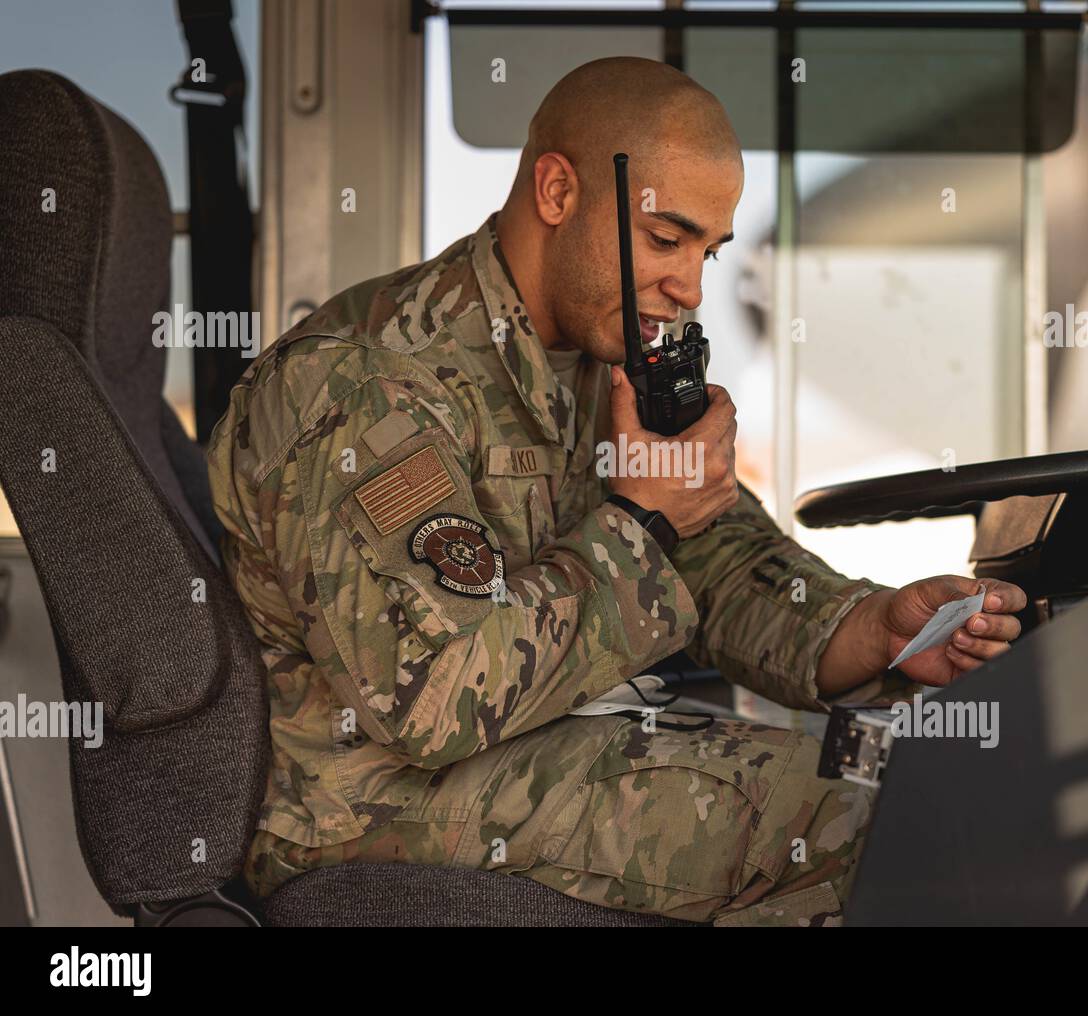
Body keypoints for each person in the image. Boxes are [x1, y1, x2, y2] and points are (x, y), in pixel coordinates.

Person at [206, 55, 1026, 926]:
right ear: (558, 193)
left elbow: (718, 556)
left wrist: (870, 631)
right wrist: (639, 520)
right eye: (666, 239)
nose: (692, 287)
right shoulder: (365, 382)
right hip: (362, 803)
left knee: (903, 776)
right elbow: (436, 699)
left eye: (708, 251)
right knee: (855, 815)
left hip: (534, 742)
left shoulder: (609, 363)